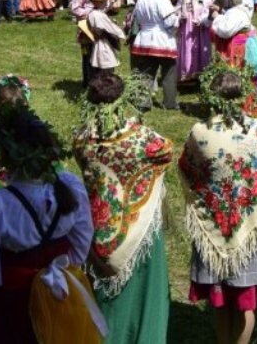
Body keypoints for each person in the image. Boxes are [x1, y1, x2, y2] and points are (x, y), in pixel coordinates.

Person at [0, 109, 102, 344]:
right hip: (61, 295)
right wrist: (60, 271)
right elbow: (81, 243)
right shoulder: (69, 186)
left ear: (8, 154)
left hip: (16, 302)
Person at [179, 68, 257, 344]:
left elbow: (187, 170)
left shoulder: (199, 132)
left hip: (213, 223)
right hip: (253, 224)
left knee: (221, 296)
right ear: (242, 97)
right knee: (245, 297)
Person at [74, 73, 172, 343]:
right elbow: (166, 151)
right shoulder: (143, 140)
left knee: (105, 297)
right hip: (139, 231)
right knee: (143, 297)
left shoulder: (81, 140)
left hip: (99, 228)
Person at [130, 0, 180, 110]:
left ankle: (143, 102)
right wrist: (177, 19)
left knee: (146, 72)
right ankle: (169, 103)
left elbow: (138, 19)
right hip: (161, 38)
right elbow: (170, 21)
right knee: (169, 71)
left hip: (144, 38)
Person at [80, 0, 126, 83]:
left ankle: (102, 87)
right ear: (98, 2)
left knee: (103, 69)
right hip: (102, 45)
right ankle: (105, 90)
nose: (106, 2)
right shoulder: (97, 15)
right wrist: (122, 30)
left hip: (101, 42)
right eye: (104, 0)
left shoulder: (97, 13)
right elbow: (112, 30)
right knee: (106, 68)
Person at [176, 0, 213, 81]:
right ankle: (187, 73)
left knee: (200, 48)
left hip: (199, 27)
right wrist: (179, 16)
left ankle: (201, 73)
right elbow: (177, 7)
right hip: (186, 26)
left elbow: (208, 10)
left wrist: (202, 20)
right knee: (187, 47)